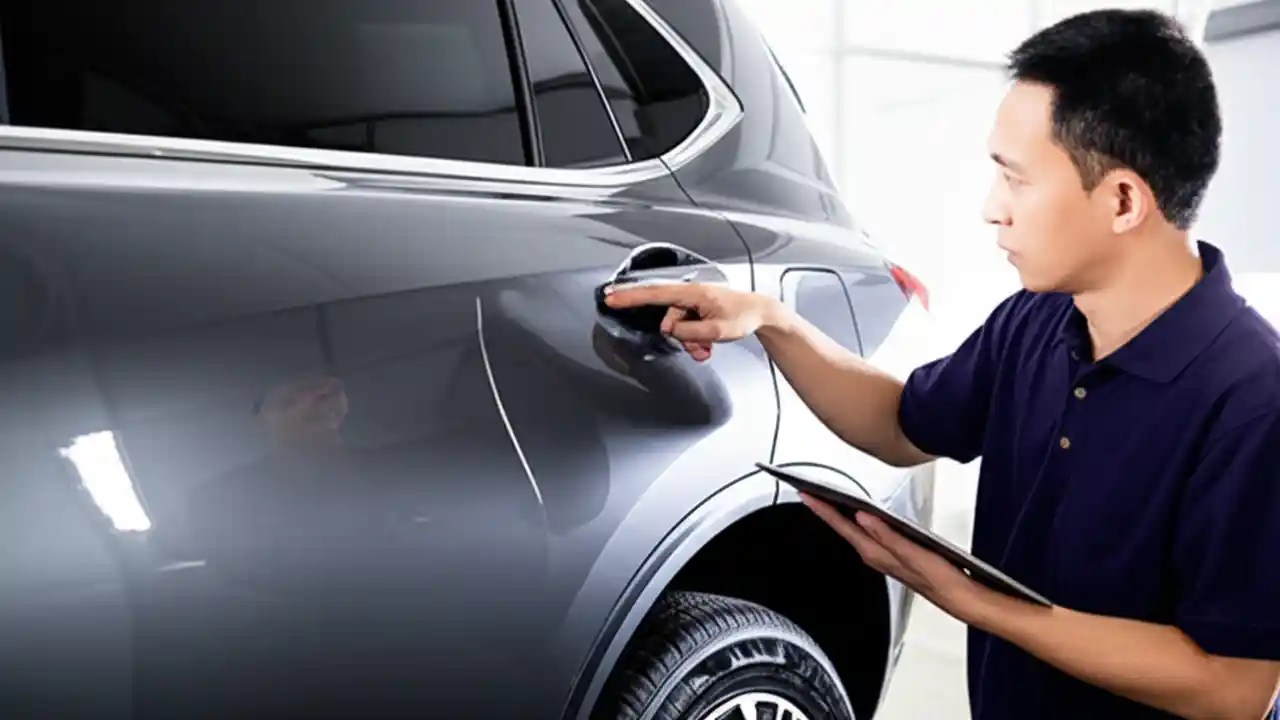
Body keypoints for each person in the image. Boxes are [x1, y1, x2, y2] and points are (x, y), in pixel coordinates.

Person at [602, 8, 1280, 720]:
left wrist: (970, 601)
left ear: (1121, 200)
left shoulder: (1251, 399)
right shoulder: (1041, 320)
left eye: (1015, 180)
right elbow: (901, 423)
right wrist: (772, 323)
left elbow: (1231, 688)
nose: (993, 210)